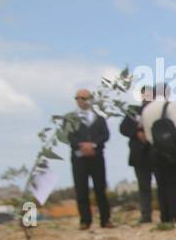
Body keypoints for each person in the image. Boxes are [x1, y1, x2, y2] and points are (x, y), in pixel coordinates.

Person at [140, 86, 176, 224]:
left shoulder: (146, 110)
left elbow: (148, 135)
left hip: (155, 151)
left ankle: (165, 216)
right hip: (173, 151)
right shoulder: (169, 106)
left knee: (162, 184)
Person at [66, 89, 114, 230]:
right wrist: (82, 145)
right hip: (79, 159)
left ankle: (105, 220)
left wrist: (93, 145)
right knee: (81, 189)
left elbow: (105, 135)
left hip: (96, 157)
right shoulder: (71, 119)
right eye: (78, 98)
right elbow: (69, 136)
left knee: (100, 189)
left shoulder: (99, 119)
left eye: (84, 98)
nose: (81, 100)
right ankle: (85, 220)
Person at [120, 86, 156, 225]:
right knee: (144, 186)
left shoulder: (158, 110)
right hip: (140, 154)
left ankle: (167, 214)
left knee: (163, 184)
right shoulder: (133, 110)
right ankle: (146, 215)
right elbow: (123, 128)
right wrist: (137, 133)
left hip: (156, 153)